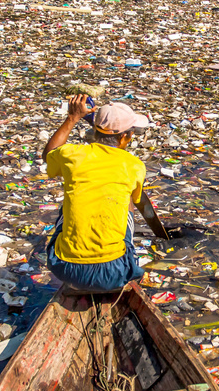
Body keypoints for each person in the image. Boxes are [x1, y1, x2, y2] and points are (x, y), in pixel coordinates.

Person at [41, 95, 150, 292]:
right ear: (126, 136)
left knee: (69, 204)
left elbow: (48, 154)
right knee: (127, 202)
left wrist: (72, 118)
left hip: (64, 269)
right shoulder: (134, 166)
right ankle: (125, 263)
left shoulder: (71, 155)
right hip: (114, 272)